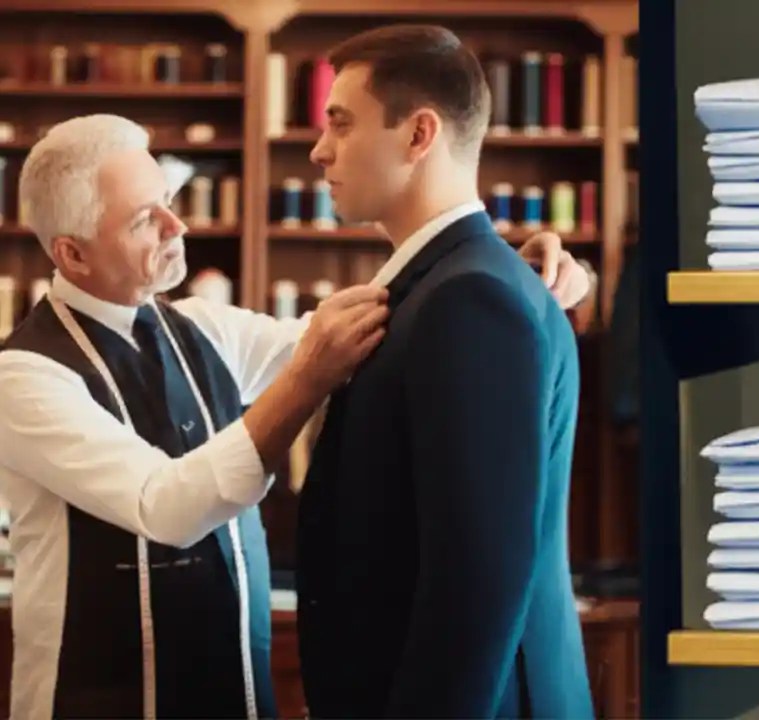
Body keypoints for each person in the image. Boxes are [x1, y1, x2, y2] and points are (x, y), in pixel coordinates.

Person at [0, 113, 591, 719]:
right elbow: (163, 505)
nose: (178, 225)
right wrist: (304, 382)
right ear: (71, 254)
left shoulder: (204, 328)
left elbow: (377, 329)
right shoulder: (22, 377)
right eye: (144, 219)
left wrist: (505, 272)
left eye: (169, 201)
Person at [295, 24, 593, 718]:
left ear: (419, 134)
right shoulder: (457, 286)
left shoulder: (468, 300)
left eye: (341, 124)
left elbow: (477, 580)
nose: (319, 150)